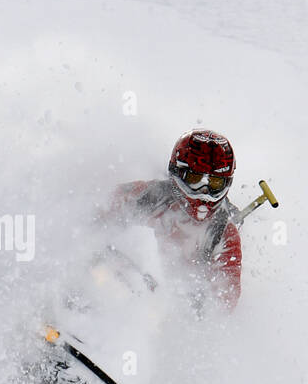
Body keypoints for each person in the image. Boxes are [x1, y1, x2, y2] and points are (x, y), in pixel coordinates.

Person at [101, 128, 242, 310]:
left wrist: (198, 303)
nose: (204, 193)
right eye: (195, 178)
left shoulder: (223, 233)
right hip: (122, 282)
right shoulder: (149, 196)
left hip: (167, 312)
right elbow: (99, 206)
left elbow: (225, 301)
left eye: (214, 183)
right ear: (176, 172)